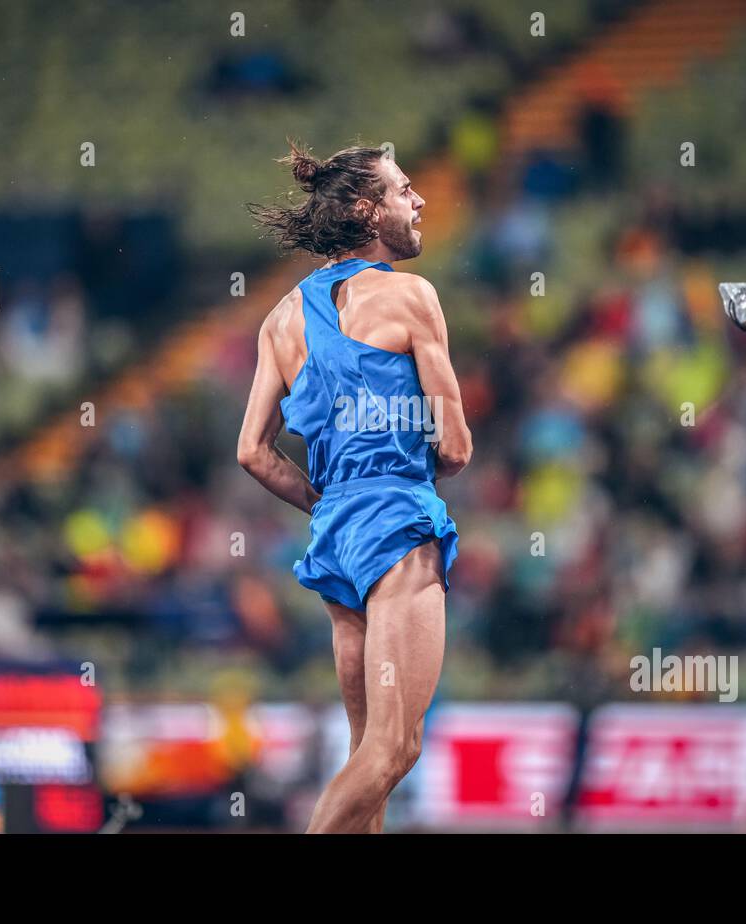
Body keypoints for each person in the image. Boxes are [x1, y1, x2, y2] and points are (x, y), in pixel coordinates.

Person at [239, 142, 471, 832]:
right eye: (404, 190)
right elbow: (456, 448)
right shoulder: (411, 296)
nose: (419, 200)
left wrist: (332, 499)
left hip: (336, 534)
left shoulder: (280, 319)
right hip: (397, 525)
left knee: (369, 755)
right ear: (368, 210)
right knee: (395, 749)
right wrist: (401, 474)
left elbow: (252, 451)